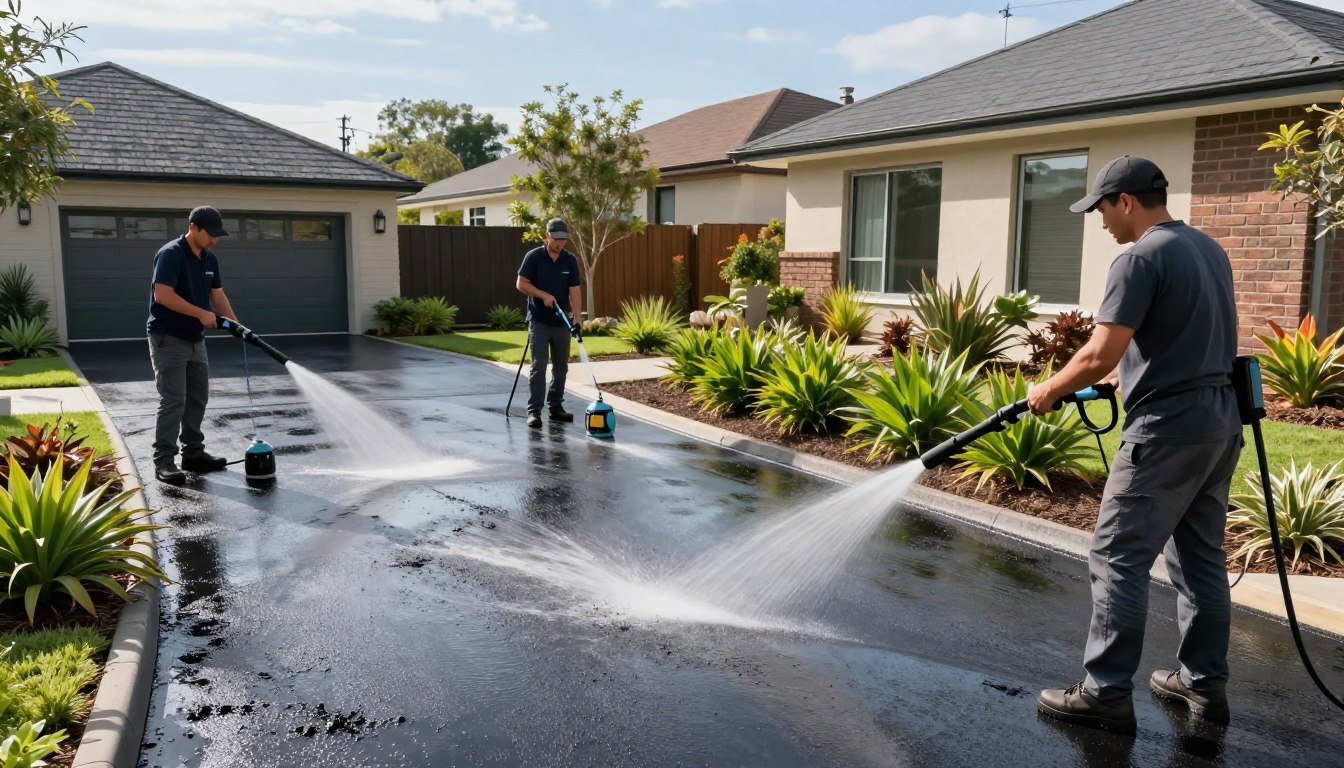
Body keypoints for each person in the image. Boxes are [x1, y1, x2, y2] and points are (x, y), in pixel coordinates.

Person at [1028, 156, 1241, 734]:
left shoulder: (1137, 257)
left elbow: (1097, 351)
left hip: (1166, 429)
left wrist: (1048, 388)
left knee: (1117, 556)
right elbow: (1186, 332)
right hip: (1219, 424)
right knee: (1198, 559)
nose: (1099, 222)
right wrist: (1133, 370)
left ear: (1124, 200)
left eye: (1100, 208)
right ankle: (1203, 684)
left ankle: (1104, 692)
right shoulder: (1207, 248)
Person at [147, 206, 241, 483]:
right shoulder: (171, 254)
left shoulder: (209, 259)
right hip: (168, 337)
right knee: (174, 400)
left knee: (198, 397)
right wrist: (201, 314)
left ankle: (193, 454)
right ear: (193, 227)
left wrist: (235, 324)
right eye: (211, 234)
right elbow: (163, 295)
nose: (215, 239)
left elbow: (218, 295)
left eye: (217, 235)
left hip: (194, 339)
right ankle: (164, 460)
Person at [515, 218, 583, 429]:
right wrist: (542, 295)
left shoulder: (569, 260)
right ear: (548, 236)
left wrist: (577, 319)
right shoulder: (534, 257)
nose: (560, 244)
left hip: (561, 321)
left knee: (561, 367)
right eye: (557, 239)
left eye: (564, 240)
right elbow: (521, 283)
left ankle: (556, 407)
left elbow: (575, 291)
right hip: (539, 321)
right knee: (539, 366)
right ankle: (534, 411)